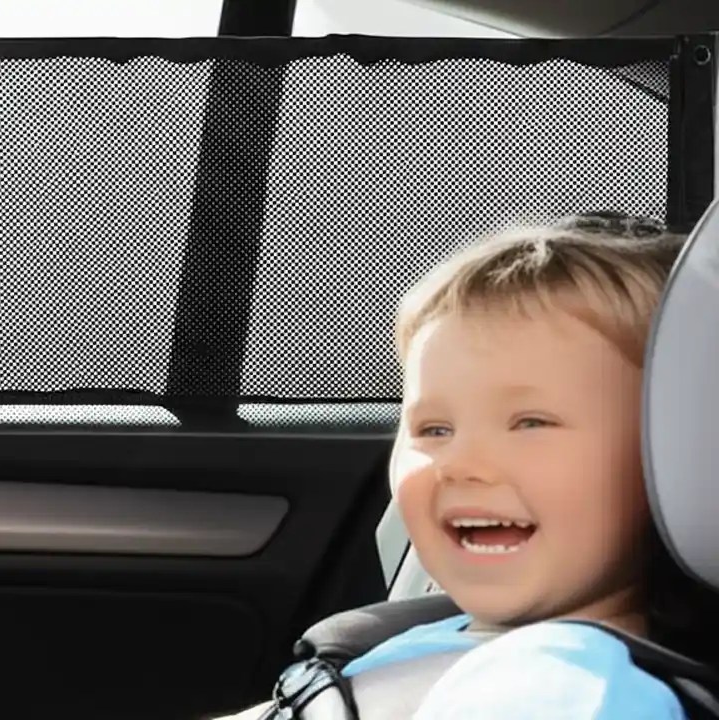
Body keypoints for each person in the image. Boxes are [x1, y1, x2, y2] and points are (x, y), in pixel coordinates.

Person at [217, 213, 717, 719]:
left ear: (676, 459)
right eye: (434, 430)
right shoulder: (424, 639)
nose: (460, 464)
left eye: (530, 423)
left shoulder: (564, 686)